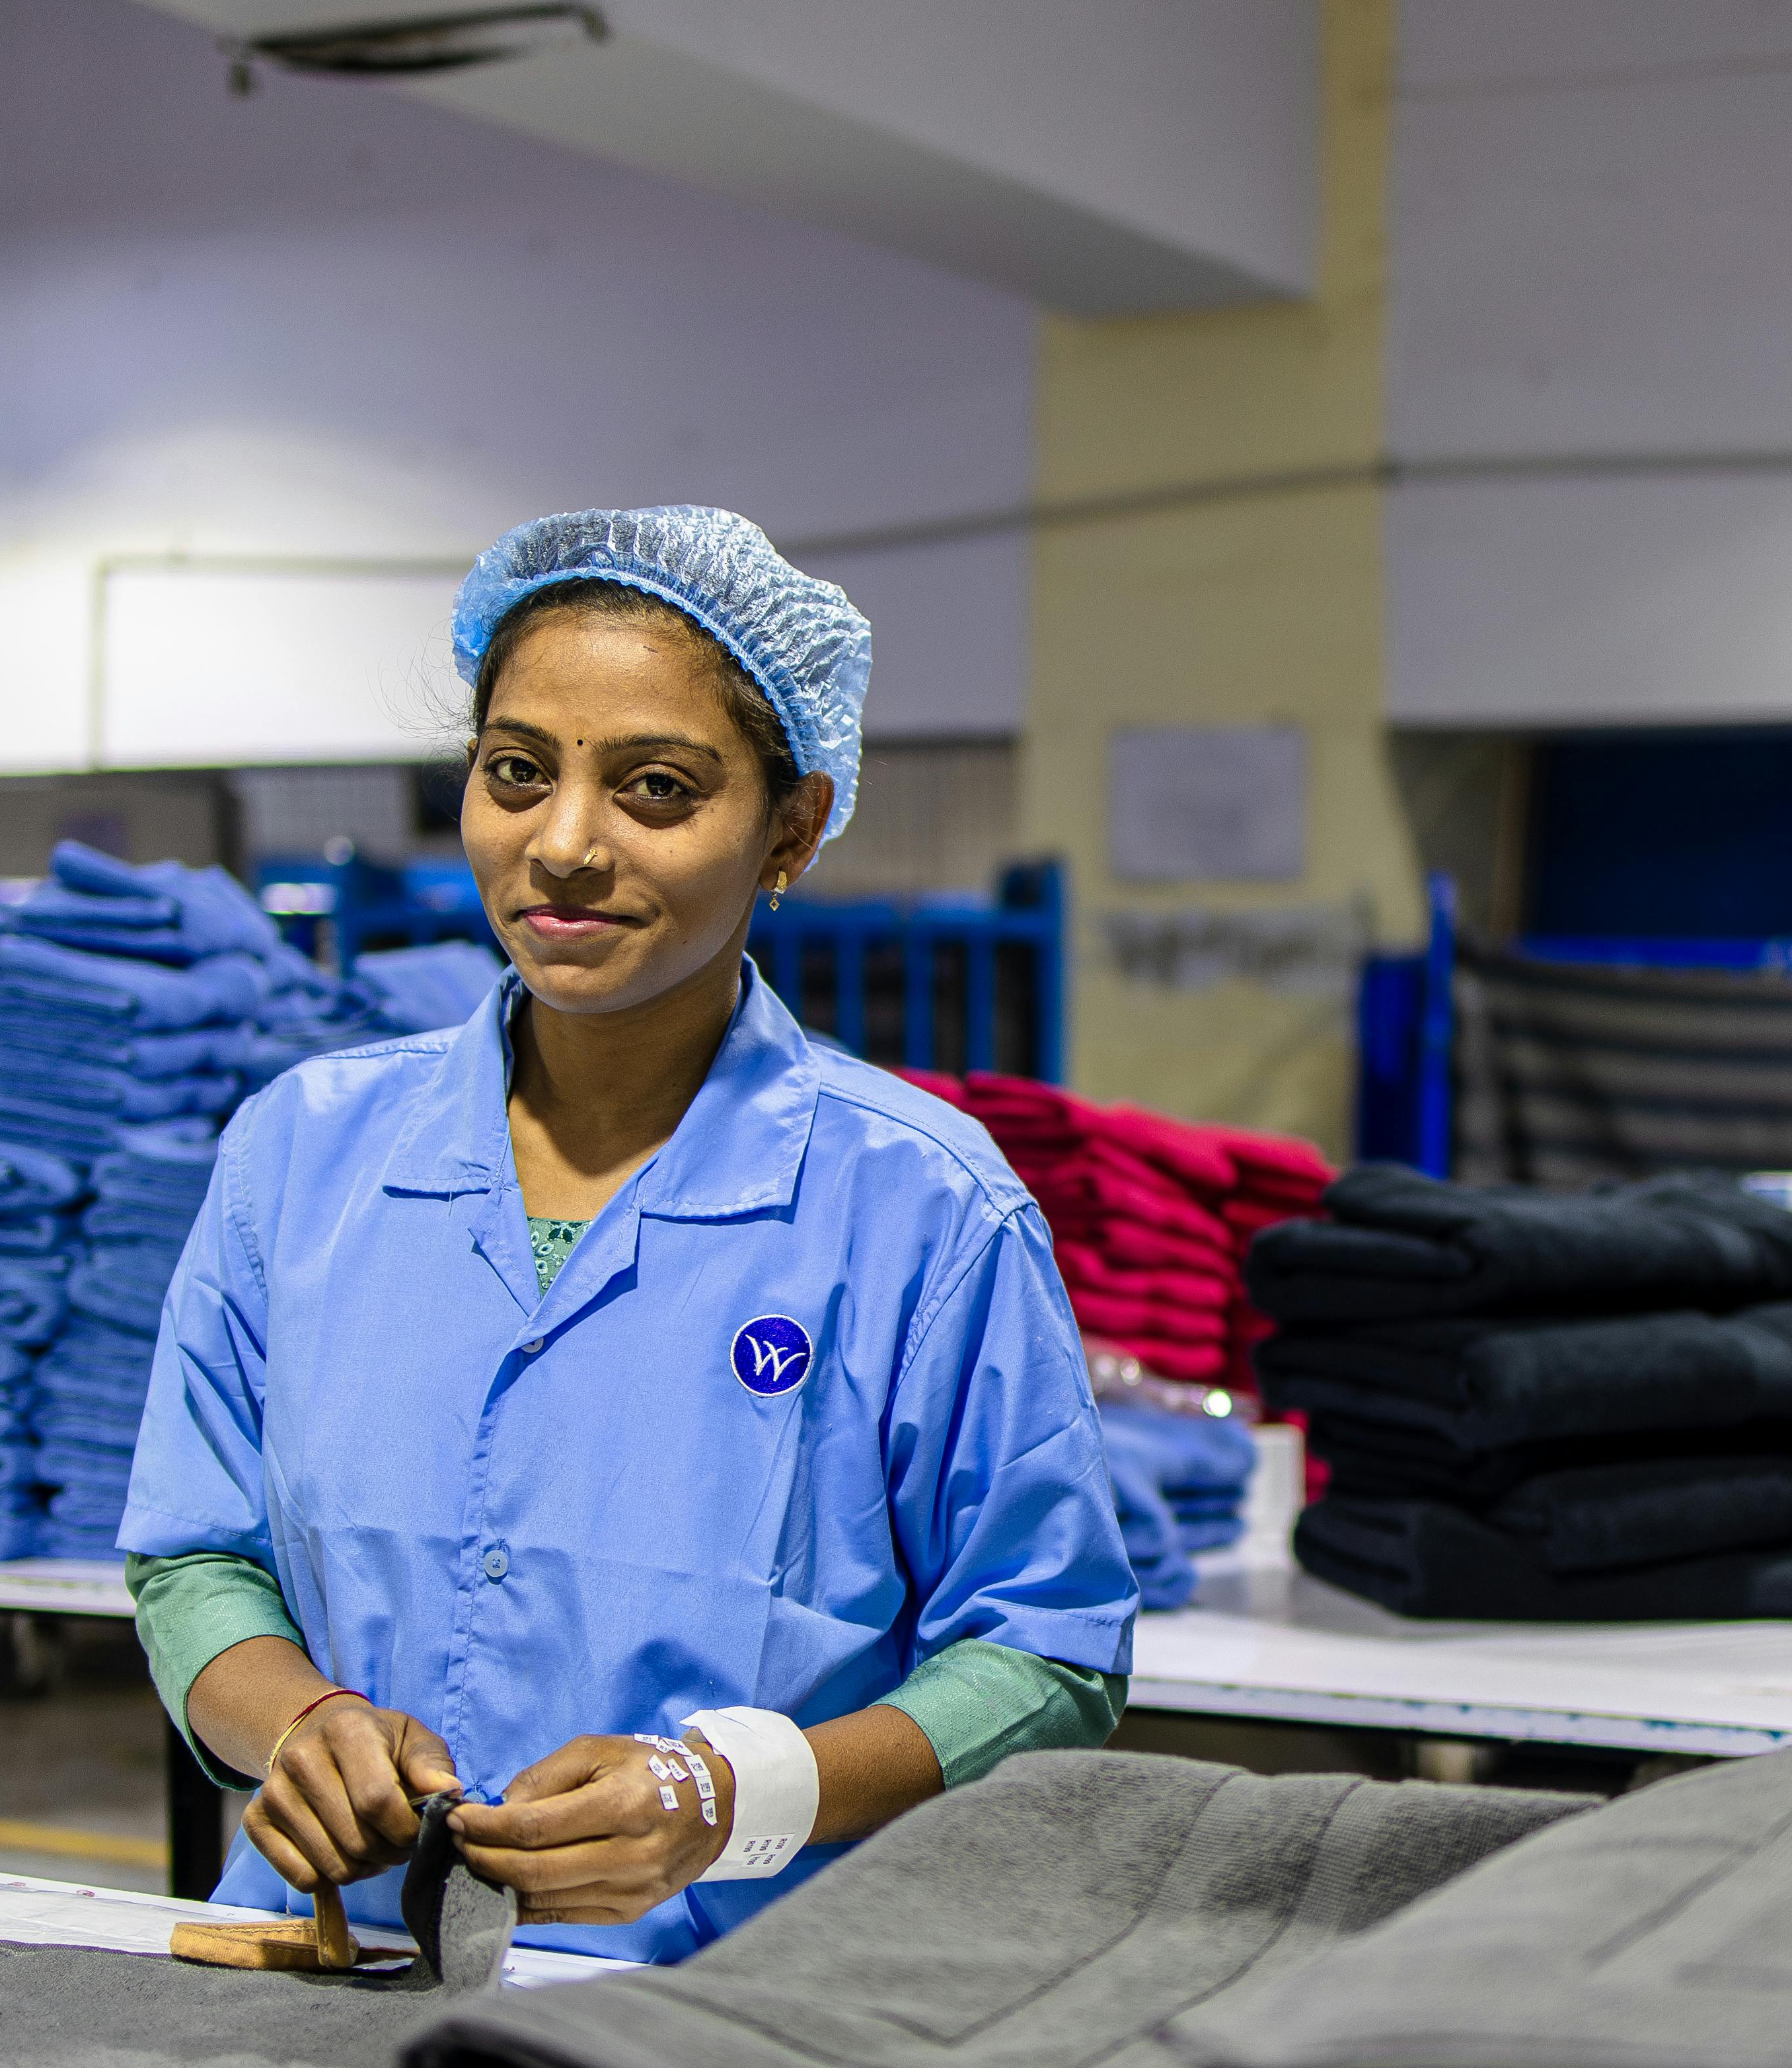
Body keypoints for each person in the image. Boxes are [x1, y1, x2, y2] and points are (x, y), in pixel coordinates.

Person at [118, 506, 1138, 1961]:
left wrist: (727, 1795)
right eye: (516, 772)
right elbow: (194, 1555)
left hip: (728, 2005)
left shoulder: (921, 1210)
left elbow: (1047, 1644)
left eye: (656, 787)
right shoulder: (301, 1154)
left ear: (791, 827)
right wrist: (301, 1720)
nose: (566, 845)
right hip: (331, 1970)